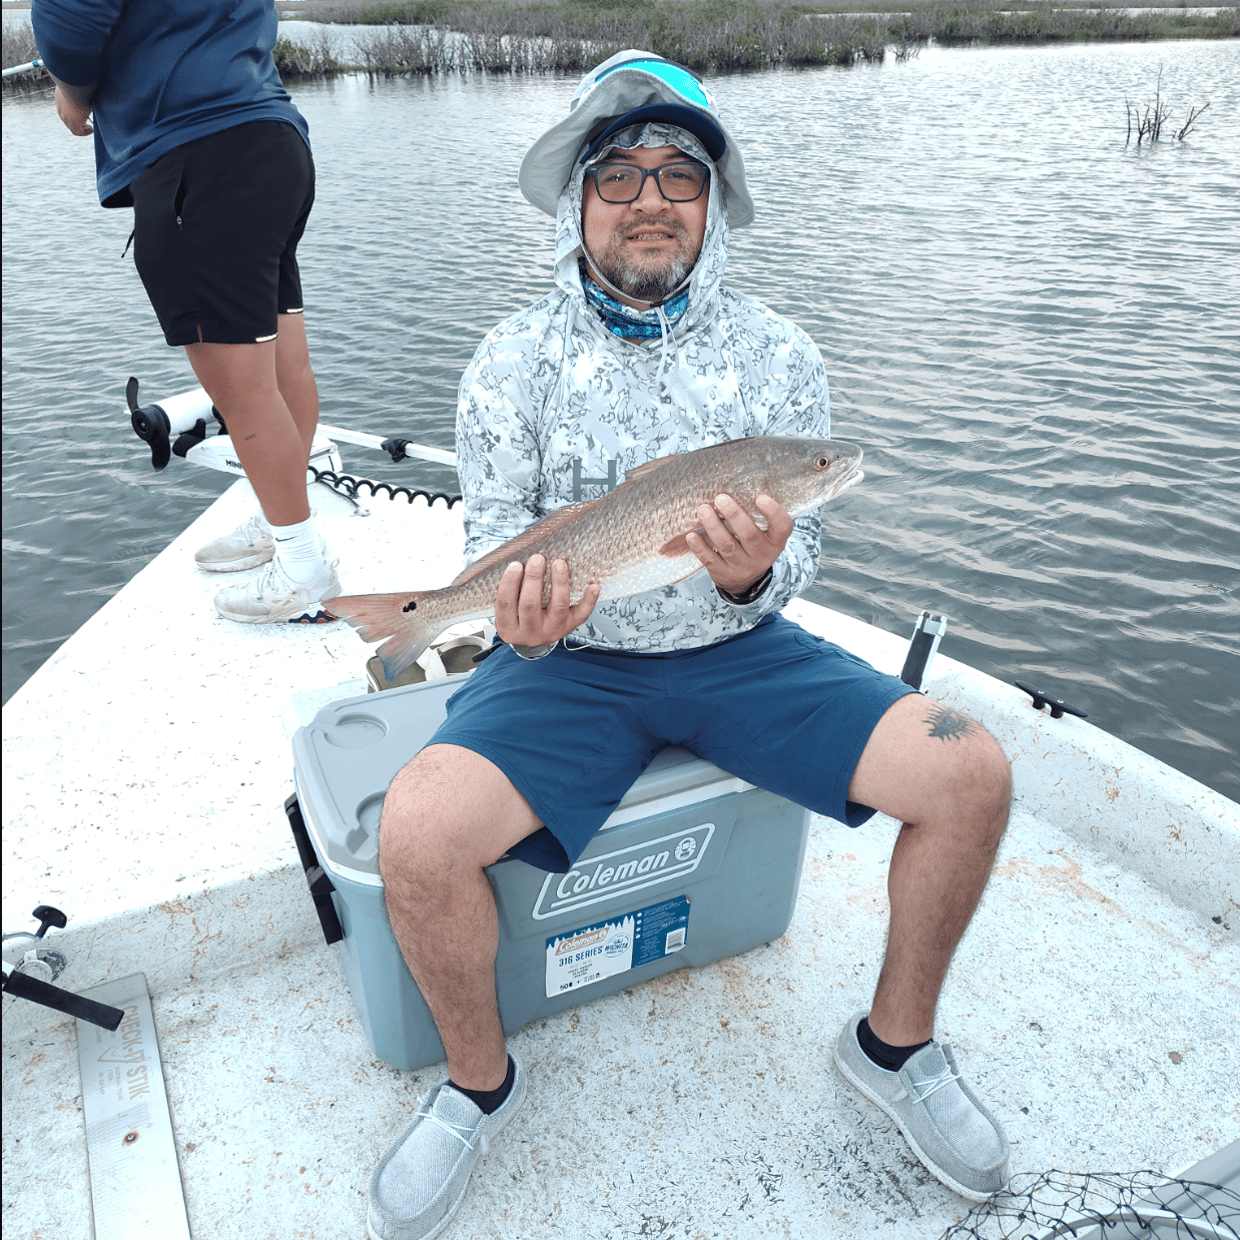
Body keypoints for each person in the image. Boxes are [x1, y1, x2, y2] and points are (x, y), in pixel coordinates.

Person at [365, 52, 1013, 1240]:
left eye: (680, 173)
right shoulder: (509, 360)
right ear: (579, 194)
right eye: (619, 173)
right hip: (569, 664)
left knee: (970, 766)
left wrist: (755, 567)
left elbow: (801, 562)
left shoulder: (780, 356)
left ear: (713, 205)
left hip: (740, 645)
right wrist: (512, 616)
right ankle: (475, 1083)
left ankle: (892, 1048)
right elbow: (501, 537)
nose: (650, 196)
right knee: (413, 835)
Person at [32, 0, 341, 624]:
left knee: (242, 389)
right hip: (271, 141)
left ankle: (303, 568)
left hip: (197, 155)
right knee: (284, 364)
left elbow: (71, 15)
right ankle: (281, 516)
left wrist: (71, 87)